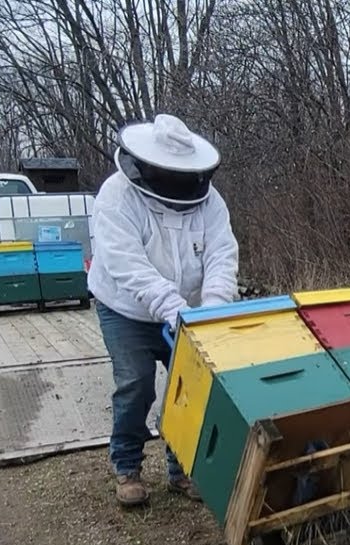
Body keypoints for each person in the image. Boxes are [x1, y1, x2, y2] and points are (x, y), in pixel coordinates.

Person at [88, 114, 240, 507]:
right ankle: (127, 467)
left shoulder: (210, 201)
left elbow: (222, 255)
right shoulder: (116, 196)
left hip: (191, 311)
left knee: (191, 387)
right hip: (126, 309)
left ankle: (183, 469)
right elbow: (126, 264)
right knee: (136, 383)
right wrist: (174, 310)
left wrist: (214, 309)